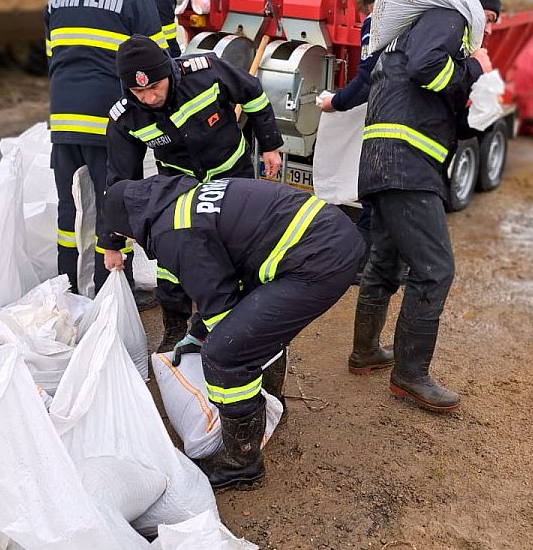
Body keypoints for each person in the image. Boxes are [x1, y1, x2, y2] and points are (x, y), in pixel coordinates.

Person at [103, 175, 364, 488]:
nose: (125, 239)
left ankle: (242, 462)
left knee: (227, 353)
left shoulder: (174, 232)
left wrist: (208, 340)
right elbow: (225, 277)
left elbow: (221, 306)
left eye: (122, 234)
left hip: (316, 259)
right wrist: (199, 331)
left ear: (130, 221)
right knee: (253, 330)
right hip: (327, 235)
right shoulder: (180, 203)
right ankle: (270, 404)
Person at [351, 0, 501, 413]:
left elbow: (434, 97)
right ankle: (410, 375)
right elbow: (424, 68)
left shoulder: (413, 32)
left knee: (385, 262)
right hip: (406, 165)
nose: (489, 29)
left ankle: (365, 352)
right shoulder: (449, 15)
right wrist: (476, 69)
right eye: (489, 17)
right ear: (472, 5)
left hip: (384, 162)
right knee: (435, 271)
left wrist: (476, 103)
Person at [102, 35, 284, 352]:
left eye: (154, 87)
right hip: (178, 188)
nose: (149, 97)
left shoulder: (205, 71)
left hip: (231, 175)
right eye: (138, 91)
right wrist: (112, 243)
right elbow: (121, 184)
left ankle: (228, 321)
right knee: (172, 257)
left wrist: (269, 145)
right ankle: (174, 327)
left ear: (167, 72)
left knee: (238, 248)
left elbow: (252, 93)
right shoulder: (126, 117)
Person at [44, 0, 167, 302]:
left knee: (71, 210)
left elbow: (52, 57)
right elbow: (157, 62)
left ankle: (67, 291)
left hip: (63, 121)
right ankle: (111, 293)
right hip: (109, 121)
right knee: (113, 206)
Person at [317, 0, 391, 280]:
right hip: (406, 120)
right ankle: (386, 265)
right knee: (389, 198)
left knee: (375, 196)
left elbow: (366, 79)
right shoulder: (409, 21)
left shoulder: (376, 23)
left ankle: (360, 266)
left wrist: (335, 102)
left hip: (386, 121)